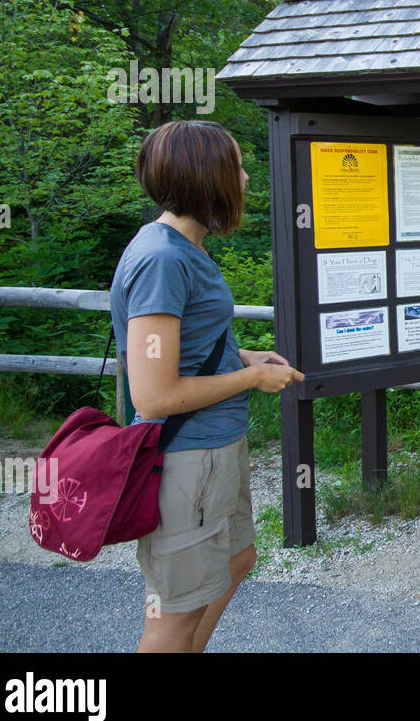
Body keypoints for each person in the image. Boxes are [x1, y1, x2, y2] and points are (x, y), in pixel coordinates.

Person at [109, 119, 303, 652]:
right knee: (174, 612)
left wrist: (241, 355)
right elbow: (153, 395)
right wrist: (253, 376)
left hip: (216, 449)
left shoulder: (181, 247)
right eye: (235, 166)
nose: (244, 177)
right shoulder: (161, 260)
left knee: (237, 561)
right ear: (207, 176)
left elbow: (178, 351)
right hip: (188, 459)